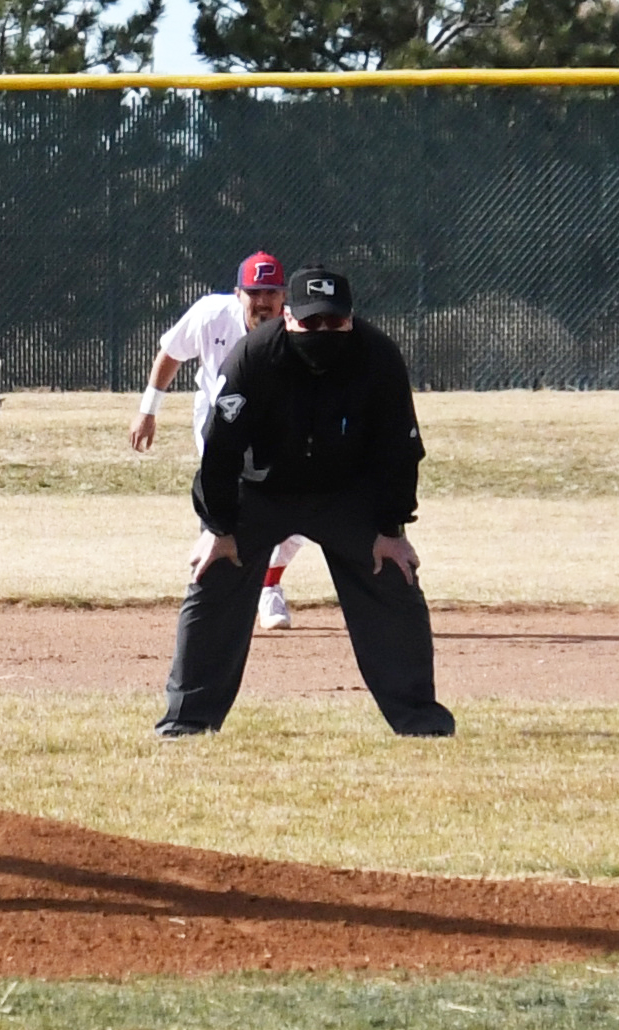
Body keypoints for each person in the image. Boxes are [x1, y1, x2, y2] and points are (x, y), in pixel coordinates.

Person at [156, 264, 456, 739]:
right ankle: (186, 723)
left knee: (395, 576)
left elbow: (400, 449)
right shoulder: (254, 354)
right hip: (261, 490)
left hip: (346, 494)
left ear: (350, 319)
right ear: (289, 317)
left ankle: (422, 723)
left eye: (334, 322)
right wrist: (218, 528)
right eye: (311, 322)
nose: (323, 332)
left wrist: (391, 530)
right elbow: (221, 449)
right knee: (213, 575)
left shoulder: (378, 356)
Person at [131, 251, 309, 630]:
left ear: (284, 295)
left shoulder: (300, 328)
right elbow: (171, 354)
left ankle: (268, 585)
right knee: (226, 504)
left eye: (271, 292)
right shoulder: (211, 314)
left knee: (296, 517)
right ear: (237, 293)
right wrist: (148, 411)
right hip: (221, 424)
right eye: (254, 292)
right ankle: (211, 594)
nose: (263, 301)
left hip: (277, 428)